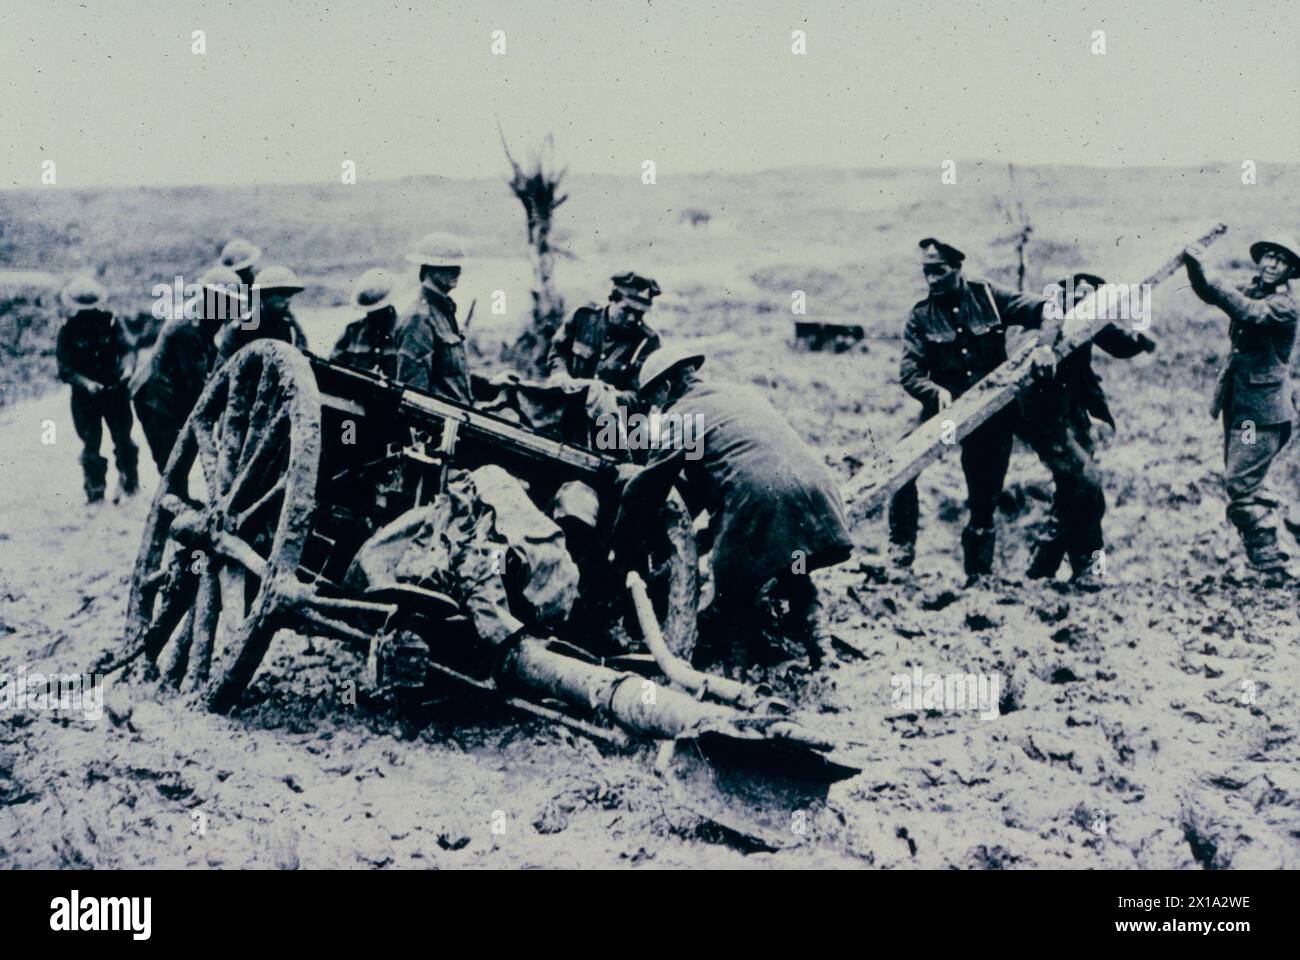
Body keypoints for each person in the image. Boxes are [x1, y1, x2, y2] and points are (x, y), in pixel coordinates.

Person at [636, 346, 853, 666]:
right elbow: (713, 478)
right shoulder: (735, 394)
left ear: (666, 388)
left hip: (761, 504)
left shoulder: (679, 416)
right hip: (814, 494)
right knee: (796, 569)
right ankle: (823, 653)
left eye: (653, 399)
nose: (655, 409)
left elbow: (652, 485)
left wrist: (630, 535)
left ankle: (737, 666)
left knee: (733, 589)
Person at [888, 237, 1061, 584]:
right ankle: (900, 559)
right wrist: (933, 391)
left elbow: (1050, 309)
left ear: (957, 268)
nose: (932, 280)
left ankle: (978, 576)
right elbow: (909, 373)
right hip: (943, 411)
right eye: (926, 273)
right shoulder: (920, 316)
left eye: (939, 272)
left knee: (984, 496)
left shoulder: (988, 296)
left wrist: (1045, 348)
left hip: (990, 413)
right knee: (900, 468)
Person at [1020, 274, 1156, 585]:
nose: (1081, 300)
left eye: (1089, 296)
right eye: (1076, 294)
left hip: (1073, 413)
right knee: (1087, 487)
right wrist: (1044, 348)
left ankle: (1044, 566)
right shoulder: (1047, 321)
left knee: (1074, 490)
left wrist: (1138, 342)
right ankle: (1084, 568)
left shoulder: (1086, 319)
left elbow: (1113, 340)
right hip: (1045, 416)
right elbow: (1048, 329)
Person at [1184, 234, 1300, 575]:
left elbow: (1247, 312)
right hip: (1241, 406)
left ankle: (1273, 566)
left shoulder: (1284, 306)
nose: (1271, 264)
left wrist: (1212, 276)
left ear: (1290, 270)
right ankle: (1289, 525)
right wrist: (1195, 268)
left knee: (1240, 486)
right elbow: (1212, 294)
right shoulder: (1254, 290)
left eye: (1280, 261)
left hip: (1259, 416)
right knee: (1244, 483)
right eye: (1267, 257)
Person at [131, 266, 248, 470]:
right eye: (226, 302)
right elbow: (195, 379)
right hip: (157, 399)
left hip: (171, 394)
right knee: (171, 462)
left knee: (181, 457)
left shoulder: (207, 316)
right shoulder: (187, 326)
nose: (230, 309)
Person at [55, 275, 139, 503]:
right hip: (86, 399)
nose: (88, 313)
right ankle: (95, 492)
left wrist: (127, 369)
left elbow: (128, 349)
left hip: (115, 392)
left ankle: (130, 483)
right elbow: (64, 368)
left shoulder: (111, 321)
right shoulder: (68, 330)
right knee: (91, 444)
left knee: (124, 440)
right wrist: (86, 384)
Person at [401, 233, 474, 403]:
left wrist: (490, 384)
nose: (458, 271)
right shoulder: (419, 319)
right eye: (449, 266)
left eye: (458, 266)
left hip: (459, 419)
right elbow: (414, 395)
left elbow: (451, 377)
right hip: (438, 426)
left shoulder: (443, 312)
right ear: (428, 269)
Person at [214, 264, 308, 362]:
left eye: (290, 294)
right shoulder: (240, 328)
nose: (288, 300)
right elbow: (221, 370)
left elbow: (301, 356)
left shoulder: (290, 324)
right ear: (263, 295)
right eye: (282, 294)